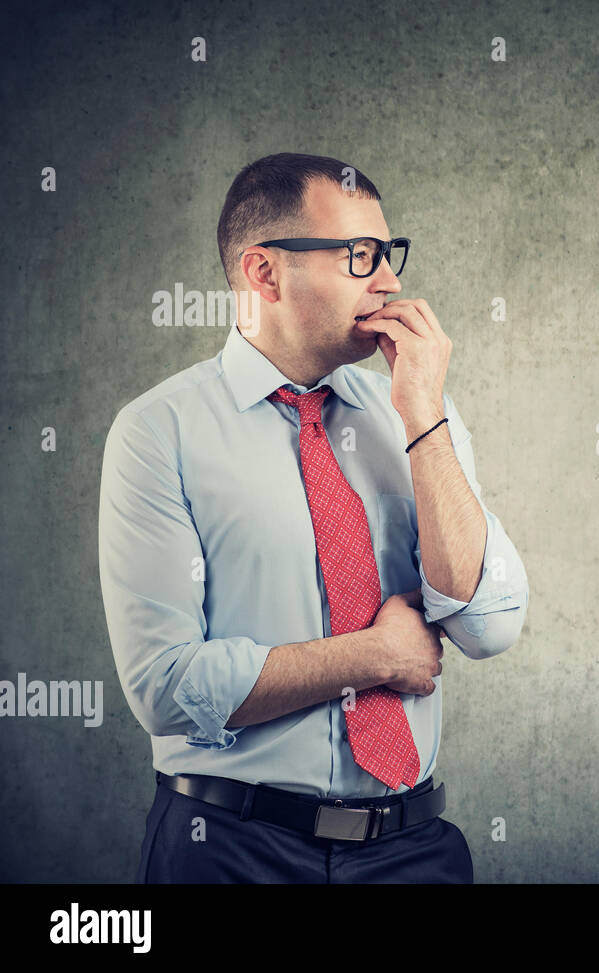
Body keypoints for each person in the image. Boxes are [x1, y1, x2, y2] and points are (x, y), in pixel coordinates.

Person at [98, 152, 528, 883]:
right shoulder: (156, 432)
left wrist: (424, 415)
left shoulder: (415, 413)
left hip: (413, 851)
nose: (390, 280)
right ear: (265, 274)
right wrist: (375, 656)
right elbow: (168, 687)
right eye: (360, 256)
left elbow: (488, 625)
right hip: (229, 848)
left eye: (389, 254)